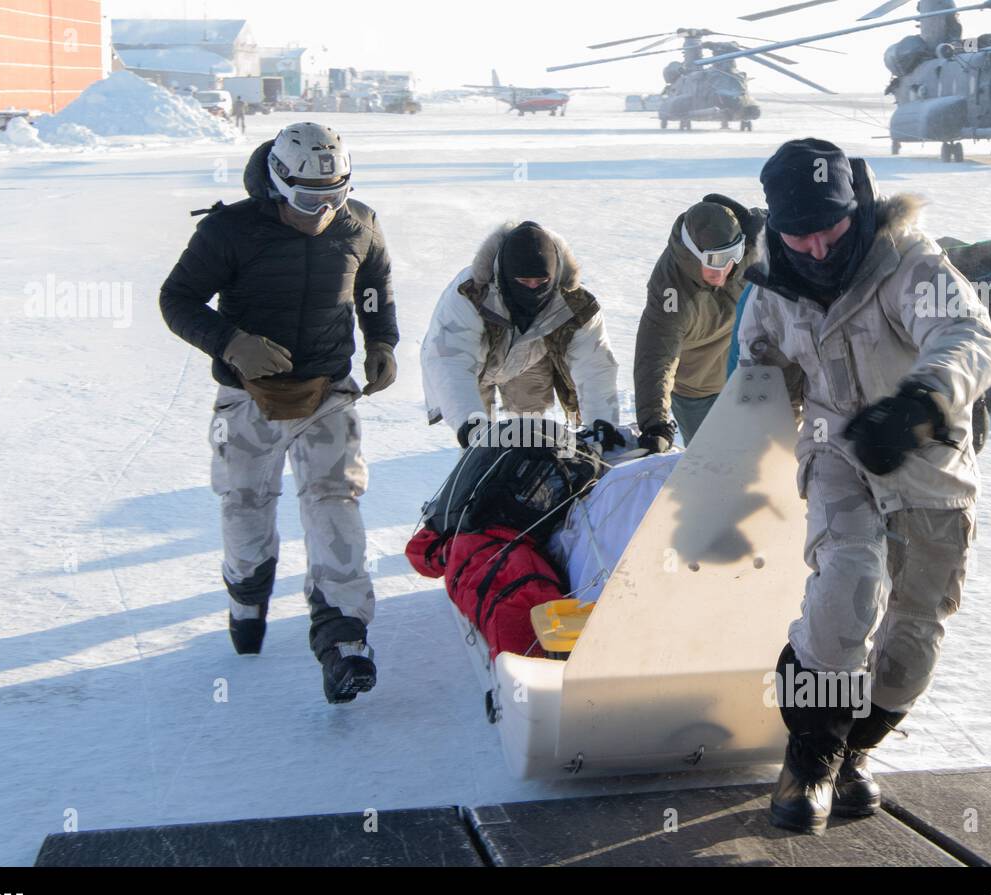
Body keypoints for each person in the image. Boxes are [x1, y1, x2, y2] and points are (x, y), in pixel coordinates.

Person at [735, 138, 991, 834]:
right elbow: (759, 374)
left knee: (913, 637)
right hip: (836, 448)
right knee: (847, 586)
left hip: (924, 448)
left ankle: (855, 753)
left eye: (832, 229)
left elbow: (968, 334)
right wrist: (729, 466)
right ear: (776, 227)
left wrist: (921, 403)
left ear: (858, 206)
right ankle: (810, 756)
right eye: (800, 235)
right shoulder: (772, 281)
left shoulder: (912, 263)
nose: (818, 249)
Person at [159, 122, 398, 704]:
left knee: (333, 501)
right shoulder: (229, 231)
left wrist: (382, 341)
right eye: (309, 199)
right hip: (247, 398)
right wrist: (231, 342)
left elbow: (374, 283)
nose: (322, 210)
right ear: (277, 182)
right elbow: (177, 298)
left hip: (328, 390)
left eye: (334, 196)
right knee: (244, 503)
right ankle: (247, 597)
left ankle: (343, 637)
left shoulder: (360, 223)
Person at [421, 220, 620, 447]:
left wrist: (602, 423)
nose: (533, 288)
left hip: (528, 359)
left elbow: (594, 364)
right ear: (505, 276)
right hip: (473, 365)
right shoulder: (471, 293)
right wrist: (470, 423)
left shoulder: (575, 303)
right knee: (481, 444)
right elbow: (451, 359)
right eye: (523, 281)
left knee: (531, 438)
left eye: (542, 281)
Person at [634, 194, 764, 451]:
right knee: (713, 464)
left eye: (732, 254)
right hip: (699, 390)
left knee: (762, 458)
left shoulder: (752, 249)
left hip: (751, 375)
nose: (725, 268)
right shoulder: (671, 292)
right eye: (715, 259)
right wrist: (655, 424)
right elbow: (656, 357)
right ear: (693, 256)